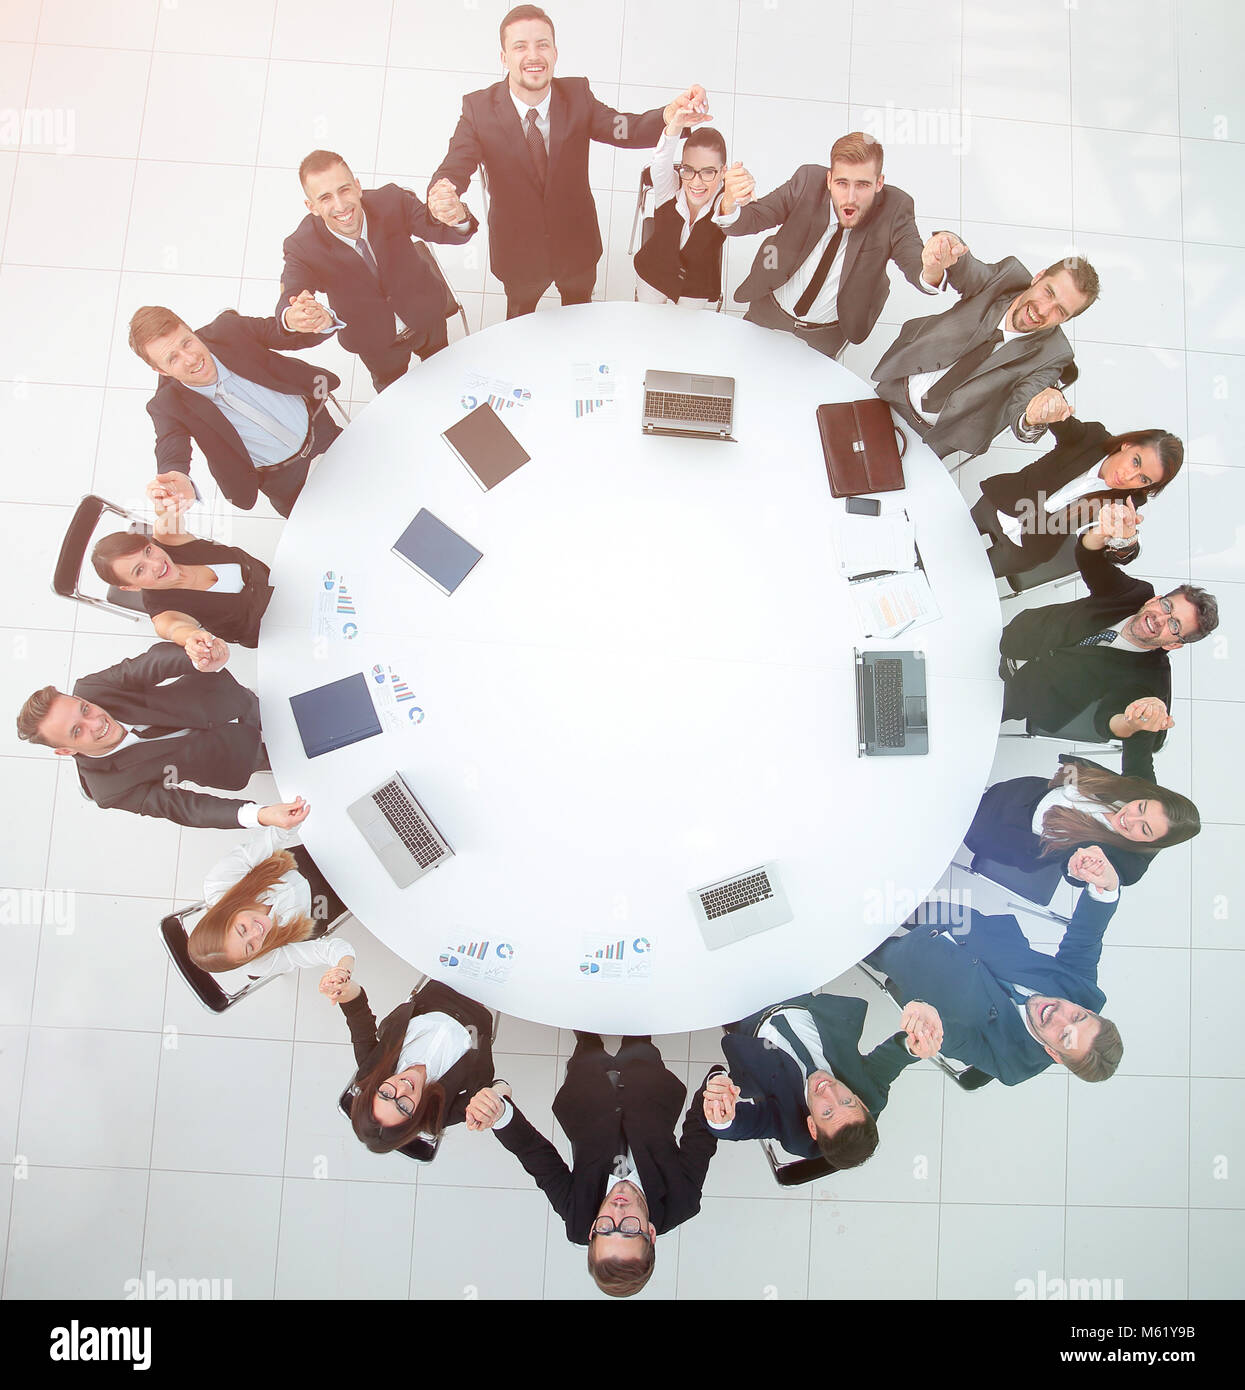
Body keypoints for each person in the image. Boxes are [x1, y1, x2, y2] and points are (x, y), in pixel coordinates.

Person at [428, 4, 706, 318]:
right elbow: (456, 163)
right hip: (517, 248)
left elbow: (623, 128)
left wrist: (670, 116)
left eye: (542, 44)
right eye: (520, 46)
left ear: (555, 52)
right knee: (521, 317)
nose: (533, 55)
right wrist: (444, 190)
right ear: (504, 58)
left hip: (576, 242)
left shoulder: (576, 95)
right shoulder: (479, 109)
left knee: (579, 316)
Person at [464, 1032, 718, 1298]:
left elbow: (535, 1155)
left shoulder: (579, 1217)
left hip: (586, 1099)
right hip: (648, 1093)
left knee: (587, 1048)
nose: (617, 1212)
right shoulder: (682, 1201)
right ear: (651, 1233)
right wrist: (716, 1086)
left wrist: (500, 1114)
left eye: (606, 1228)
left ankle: (587, 1039)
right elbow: (700, 1133)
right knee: (639, 1042)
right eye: (630, 1229)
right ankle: (636, 1035)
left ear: (591, 1232)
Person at [867, 847, 1125, 1086]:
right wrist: (1107, 885)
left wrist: (929, 1023)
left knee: (865, 940)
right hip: (966, 926)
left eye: (1064, 1037)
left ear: (1055, 1054)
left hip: (920, 968)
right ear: (1088, 1010)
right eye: (1078, 1016)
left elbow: (954, 1040)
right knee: (888, 901)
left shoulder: (1013, 1064)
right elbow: (1087, 936)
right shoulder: (1084, 992)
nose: (1058, 1015)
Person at [14, 642, 303, 830]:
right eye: (77, 731)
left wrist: (198, 656)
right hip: (235, 758)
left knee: (307, 709)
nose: (96, 722)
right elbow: (188, 810)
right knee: (304, 756)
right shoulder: (111, 789)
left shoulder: (92, 688)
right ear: (65, 751)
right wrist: (261, 814)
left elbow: (152, 662)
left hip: (227, 698)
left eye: (85, 709)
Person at [999, 533, 1219, 780]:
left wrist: (1132, 723)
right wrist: (1101, 532)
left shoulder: (1151, 684)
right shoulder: (1134, 593)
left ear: (1174, 645)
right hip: (1012, 639)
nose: (1160, 619)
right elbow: (1088, 557)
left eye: (1175, 626)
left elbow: (1135, 761)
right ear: (1156, 599)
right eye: (1167, 607)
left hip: (1021, 698)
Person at [872, 234, 1100, 459]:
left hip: (935, 438)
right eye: (1048, 292)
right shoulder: (1006, 276)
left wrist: (1033, 418)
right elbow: (966, 267)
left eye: (1060, 311)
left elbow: (1024, 408)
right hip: (897, 387)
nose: (1043, 309)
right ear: (1038, 277)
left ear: (1066, 320)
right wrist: (947, 244)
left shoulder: (1054, 354)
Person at [714, 131, 940, 359]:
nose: (850, 198)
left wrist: (932, 267)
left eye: (862, 185)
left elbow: (916, 265)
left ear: (879, 183)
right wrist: (729, 202)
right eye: (842, 183)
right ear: (829, 180)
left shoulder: (895, 209)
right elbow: (752, 219)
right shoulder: (807, 181)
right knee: (743, 365)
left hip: (826, 331)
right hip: (771, 308)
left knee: (810, 392)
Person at [275, 149, 479, 392]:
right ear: (312, 206)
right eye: (326, 198)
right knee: (393, 392)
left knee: (445, 371)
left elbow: (442, 230)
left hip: (426, 314)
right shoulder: (302, 246)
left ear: (358, 187)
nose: (341, 206)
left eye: (344, 189)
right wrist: (292, 314)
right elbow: (293, 289)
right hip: (374, 340)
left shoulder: (391, 200)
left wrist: (458, 217)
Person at [131, 305, 342, 517]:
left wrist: (315, 320)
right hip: (279, 474)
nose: (191, 359)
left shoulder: (228, 330)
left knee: (358, 459)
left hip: (315, 425)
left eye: (187, 342)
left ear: (191, 331)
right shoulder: (167, 405)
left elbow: (287, 333)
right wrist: (176, 477)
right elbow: (170, 447)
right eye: (172, 358)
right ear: (160, 370)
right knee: (309, 518)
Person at [700, 991, 943, 1168]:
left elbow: (737, 1126)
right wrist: (915, 1045)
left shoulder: (792, 1131)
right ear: (862, 1103)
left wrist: (721, 1116)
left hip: (745, 1009)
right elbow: (895, 1057)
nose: (831, 1092)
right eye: (848, 1102)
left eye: (827, 1112)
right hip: (795, 990)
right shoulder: (871, 1094)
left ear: (812, 1127)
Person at [972, 417, 1183, 578]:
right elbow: (1062, 422)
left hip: (1026, 549)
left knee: (972, 575)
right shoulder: (1093, 438)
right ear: (1127, 444)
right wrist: (1050, 403)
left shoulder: (1127, 503)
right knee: (945, 537)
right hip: (999, 503)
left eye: (1144, 479)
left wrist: (1126, 540)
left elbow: (1119, 553)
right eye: (1135, 462)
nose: (1129, 477)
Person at [966, 753, 1200, 888]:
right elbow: (1139, 742)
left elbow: (1087, 875)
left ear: (1151, 843)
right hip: (1020, 792)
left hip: (1001, 833)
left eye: (1144, 829)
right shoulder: (1140, 787)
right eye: (1141, 807)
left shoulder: (1130, 864)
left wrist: (1086, 872)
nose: (1130, 818)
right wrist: (1148, 711)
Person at [331, 975, 496, 1153]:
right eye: (403, 1106)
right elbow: (488, 1092)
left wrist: (344, 989)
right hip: (478, 1011)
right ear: (415, 1117)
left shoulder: (370, 1070)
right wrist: (487, 1109)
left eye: (385, 1094)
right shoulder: (437, 1115)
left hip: (441, 987)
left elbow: (358, 1015)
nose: (402, 1089)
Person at [191, 819, 355, 996]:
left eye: (242, 929)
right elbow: (324, 950)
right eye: (250, 947)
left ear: (225, 913)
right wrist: (342, 969)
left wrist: (291, 818)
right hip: (323, 904)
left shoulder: (218, 883)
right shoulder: (258, 962)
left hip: (307, 860)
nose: (256, 934)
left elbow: (274, 835)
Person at [90, 507, 273, 649]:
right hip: (268, 626)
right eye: (139, 570)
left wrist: (168, 499)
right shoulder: (164, 615)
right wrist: (192, 639)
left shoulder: (168, 538)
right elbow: (176, 630)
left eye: (148, 550)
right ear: (130, 587)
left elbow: (167, 513)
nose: (156, 564)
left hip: (272, 577)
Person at [633, 102, 726, 308]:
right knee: (648, 328)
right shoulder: (670, 189)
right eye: (689, 169)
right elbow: (660, 161)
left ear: (723, 172)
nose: (696, 182)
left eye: (708, 171)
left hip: (696, 286)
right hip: (653, 275)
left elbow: (733, 212)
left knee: (686, 337)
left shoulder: (724, 201)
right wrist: (676, 126)